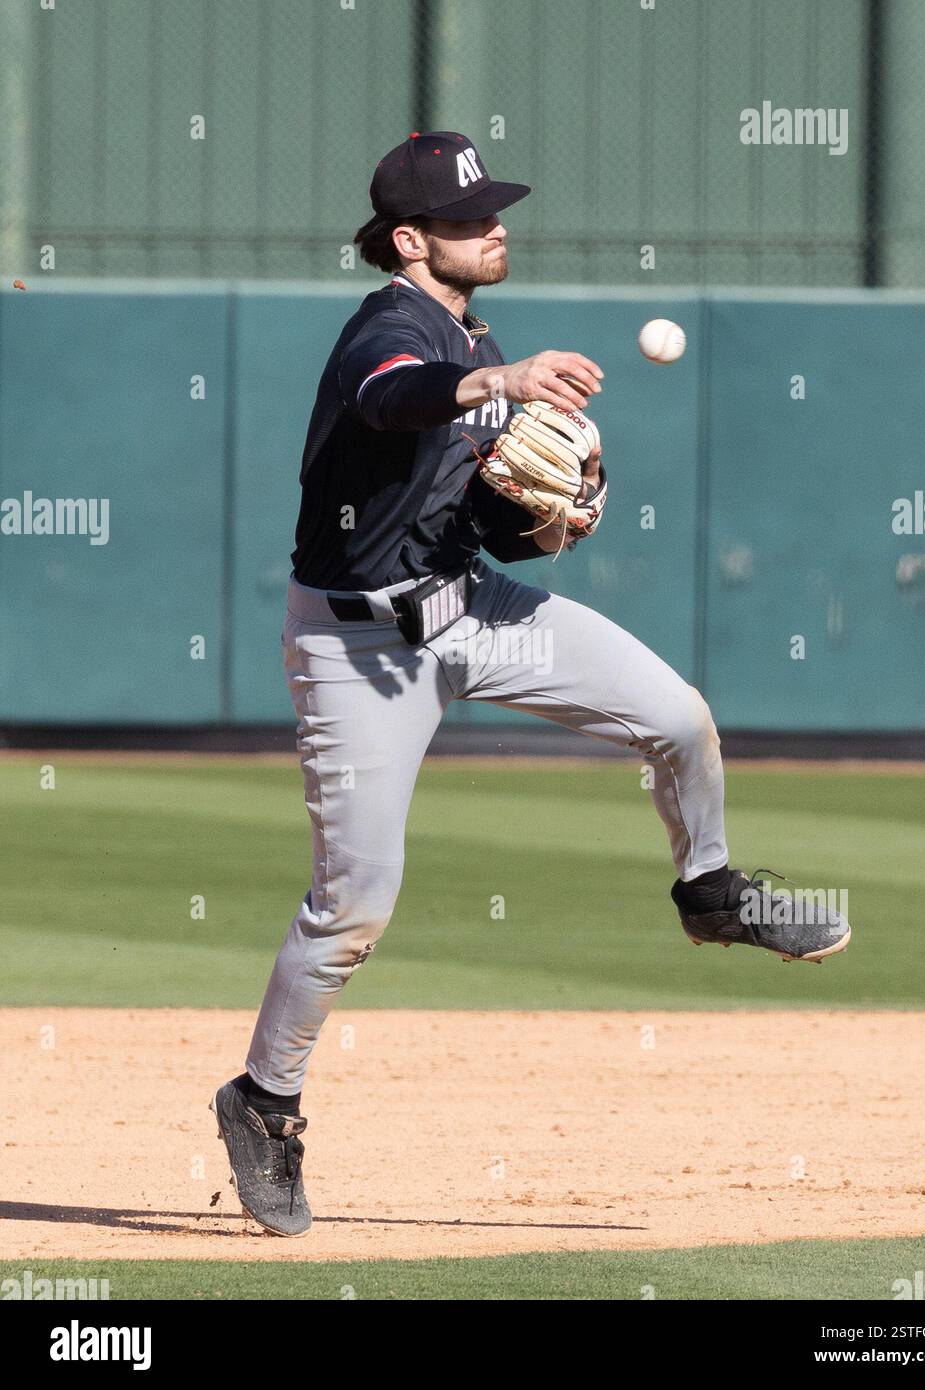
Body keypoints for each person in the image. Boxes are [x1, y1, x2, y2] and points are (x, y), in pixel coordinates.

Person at [211, 131, 850, 1237]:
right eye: (469, 219)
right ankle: (263, 1101)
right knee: (353, 903)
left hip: (471, 607)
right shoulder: (393, 331)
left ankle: (710, 891)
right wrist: (494, 381)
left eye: (494, 210)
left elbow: (477, 512)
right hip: (359, 651)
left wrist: (550, 510)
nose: (495, 226)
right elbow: (393, 399)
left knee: (678, 716)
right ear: (411, 242)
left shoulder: (470, 328)